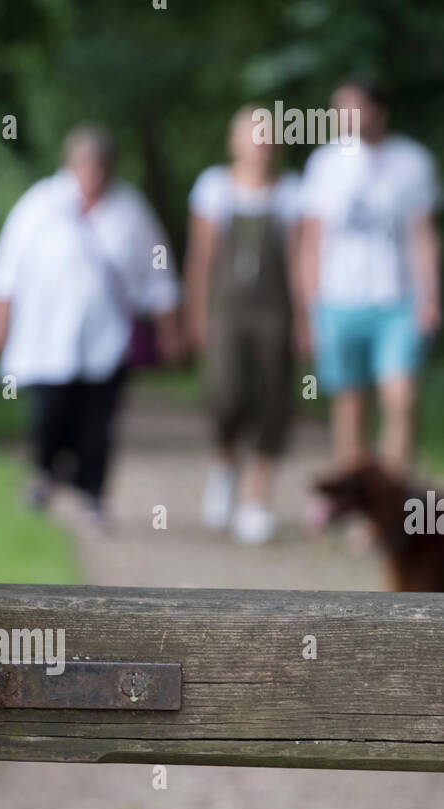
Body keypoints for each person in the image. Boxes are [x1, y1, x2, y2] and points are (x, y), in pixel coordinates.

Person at [0, 125, 182, 527]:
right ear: (70, 164)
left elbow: (158, 275)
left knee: (99, 420)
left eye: (100, 165)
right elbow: (6, 268)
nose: (93, 173)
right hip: (46, 336)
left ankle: (94, 494)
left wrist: (169, 328)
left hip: (109, 339)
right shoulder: (40, 204)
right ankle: (45, 472)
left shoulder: (130, 211)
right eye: (85, 164)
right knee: (51, 410)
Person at [297, 79, 441, 474]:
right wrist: (309, 308)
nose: (343, 116)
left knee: (401, 398)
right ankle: (358, 499)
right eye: (338, 108)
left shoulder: (413, 162)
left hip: (398, 300)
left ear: (379, 111)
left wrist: (431, 296)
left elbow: (423, 235)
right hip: (338, 300)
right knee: (350, 404)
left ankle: (393, 498)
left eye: (353, 107)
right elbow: (311, 241)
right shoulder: (324, 163)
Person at [184, 106, 303, 544]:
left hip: (275, 310)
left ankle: (256, 499)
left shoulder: (292, 192)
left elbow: (298, 261)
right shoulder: (214, 187)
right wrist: (194, 312)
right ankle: (225, 464)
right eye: (252, 134)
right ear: (234, 141)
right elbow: (201, 258)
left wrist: (304, 318)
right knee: (225, 394)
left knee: (273, 398)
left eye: (267, 134)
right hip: (227, 310)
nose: (260, 142)